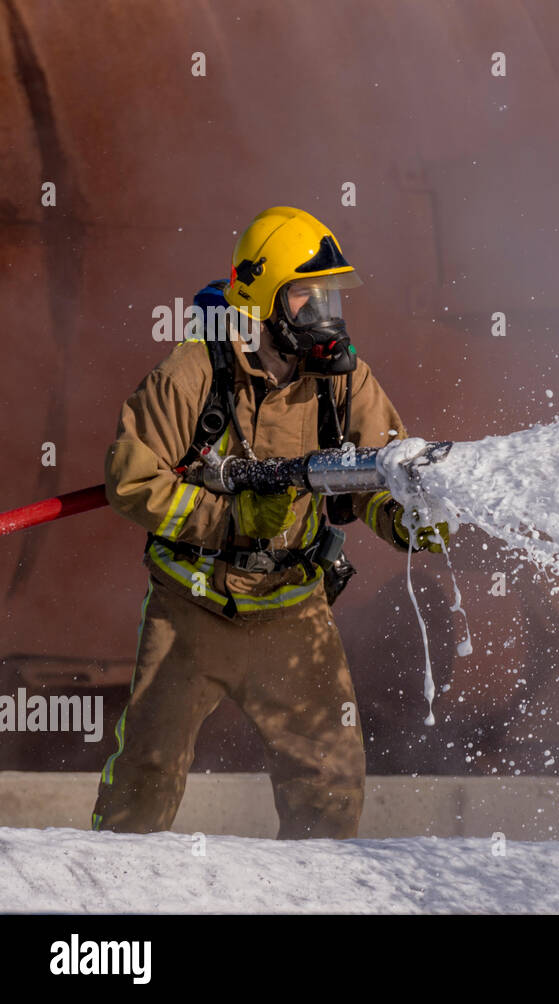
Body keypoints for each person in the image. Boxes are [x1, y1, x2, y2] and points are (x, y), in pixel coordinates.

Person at [92, 206, 448, 839]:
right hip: (191, 606)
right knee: (143, 781)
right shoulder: (192, 376)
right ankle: (112, 916)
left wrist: (411, 518)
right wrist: (228, 518)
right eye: (309, 298)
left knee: (330, 787)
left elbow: (378, 471)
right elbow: (132, 480)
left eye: (333, 296)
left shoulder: (345, 384)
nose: (327, 317)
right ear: (262, 304)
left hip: (294, 610)